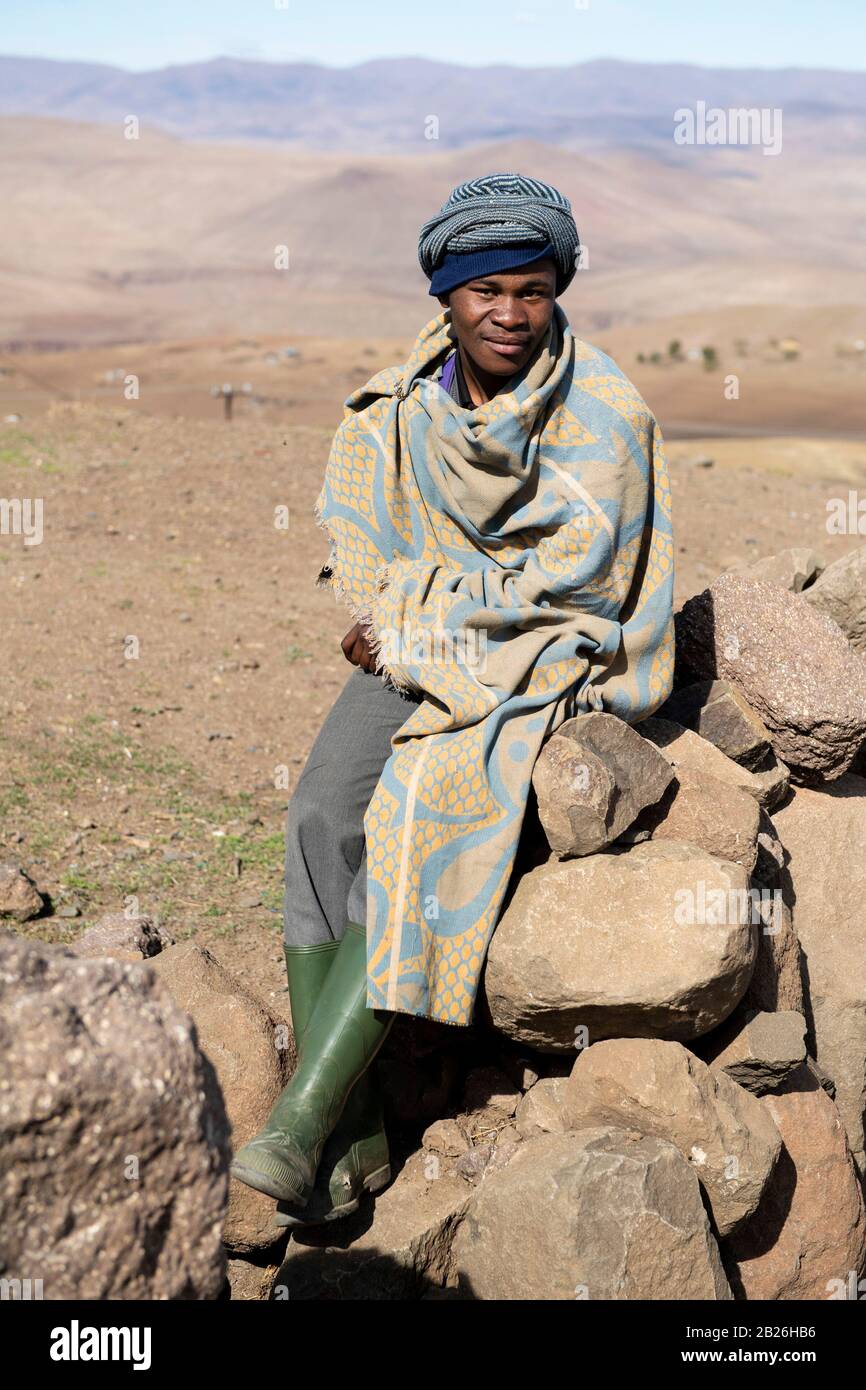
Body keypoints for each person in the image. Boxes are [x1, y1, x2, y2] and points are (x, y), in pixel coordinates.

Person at [231, 172, 675, 1225]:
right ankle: (360, 1128)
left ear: (557, 290)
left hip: (542, 652)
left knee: (425, 806)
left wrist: (414, 624)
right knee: (321, 808)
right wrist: (393, 621)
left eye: (532, 289)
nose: (509, 314)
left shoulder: (603, 421)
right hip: (413, 647)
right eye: (486, 293)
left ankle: (301, 1123)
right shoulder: (405, 409)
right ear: (447, 298)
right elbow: (373, 547)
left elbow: (571, 588)